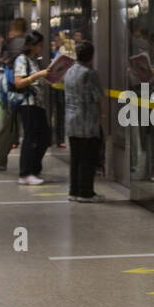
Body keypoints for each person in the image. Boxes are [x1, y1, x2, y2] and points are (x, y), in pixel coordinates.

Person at [65, 40, 107, 201]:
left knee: (75, 158)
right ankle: (86, 191)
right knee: (88, 158)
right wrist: (102, 116)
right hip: (87, 122)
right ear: (91, 55)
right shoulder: (90, 73)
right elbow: (98, 97)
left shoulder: (69, 71)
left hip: (71, 120)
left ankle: (74, 190)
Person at [0, 17, 28, 172]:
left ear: (13, 28)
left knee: (8, 127)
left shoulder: (11, 45)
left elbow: (5, 67)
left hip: (11, 93)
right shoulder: (28, 43)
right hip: (25, 92)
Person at [13, 30, 52, 185]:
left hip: (38, 104)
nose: (41, 48)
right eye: (40, 45)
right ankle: (25, 173)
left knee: (44, 137)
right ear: (33, 45)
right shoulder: (22, 60)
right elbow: (19, 82)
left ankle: (34, 169)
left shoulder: (34, 60)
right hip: (28, 104)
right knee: (30, 138)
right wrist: (38, 75)